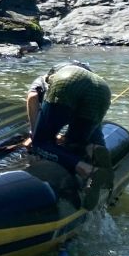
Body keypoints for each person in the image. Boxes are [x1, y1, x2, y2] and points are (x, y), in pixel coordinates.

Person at [23, 61, 114, 204]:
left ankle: (89, 171)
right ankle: (94, 150)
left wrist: (34, 134)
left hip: (69, 80)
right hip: (103, 89)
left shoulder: (46, 77)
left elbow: (33, 97)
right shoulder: (91, 76)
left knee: (40, 144)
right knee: (73, 145)